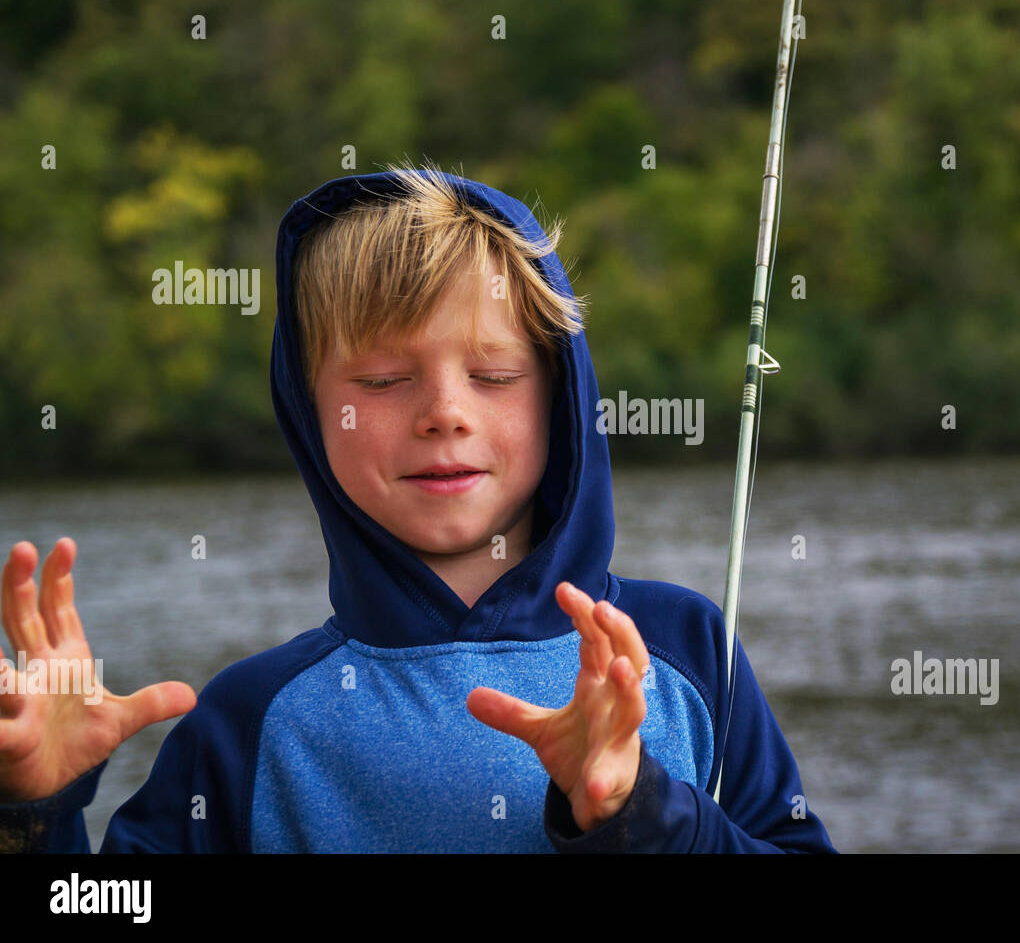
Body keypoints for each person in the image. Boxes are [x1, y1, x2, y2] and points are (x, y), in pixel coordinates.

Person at [0, 166, 836, 852]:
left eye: (495, 376)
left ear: (561, 401)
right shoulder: (247, 724)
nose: (445, 413)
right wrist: (33, 815)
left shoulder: (686, 654)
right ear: (310, 412)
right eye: (382, 383)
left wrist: (641, 813)